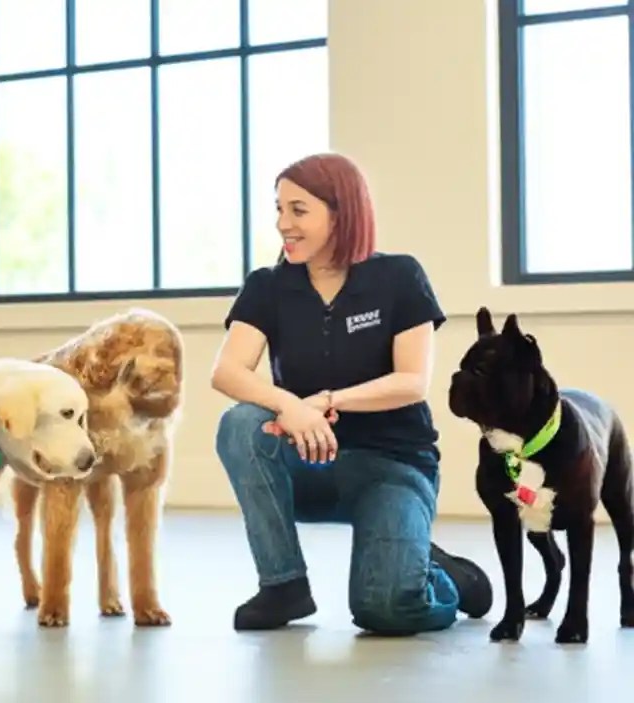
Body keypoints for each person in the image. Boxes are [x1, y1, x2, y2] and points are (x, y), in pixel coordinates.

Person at [209, 152, 493, 634]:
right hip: (311, 463)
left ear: (342, 212)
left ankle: (439, 574)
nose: (283, 224)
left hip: (393, 468)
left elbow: (411, 382)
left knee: (386, 611)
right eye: (278, 209)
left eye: (298, 210)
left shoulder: (399, 277)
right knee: (240, 423)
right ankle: (284, 586)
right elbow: (227, 371)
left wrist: (329, 400)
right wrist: (291, 406)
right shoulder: (269, 287)